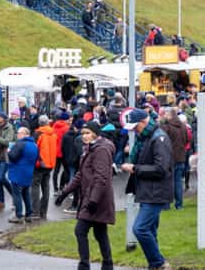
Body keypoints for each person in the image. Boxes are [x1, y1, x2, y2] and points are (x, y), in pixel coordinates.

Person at [55, 121, 116, 270]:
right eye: (83, 134)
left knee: (80, 230)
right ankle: (107, 264)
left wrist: (93, 200)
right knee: (100, 233)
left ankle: (84, 265)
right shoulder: (90, 148)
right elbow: (81, 174)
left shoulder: (101, 150)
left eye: (88, 133)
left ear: (95, 133)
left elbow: (101, 178)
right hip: (92, 196)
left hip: (97, 199)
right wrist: (64, 193)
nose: (85, 136)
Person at [120, 108, 172, 270]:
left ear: (144, 122)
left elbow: (161, 169)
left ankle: (159, 263)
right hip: (149, 190)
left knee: (140, 229)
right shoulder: (149, 137)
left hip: (156, 192)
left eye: (136, 127)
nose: (135, 131)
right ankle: (154, 265)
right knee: (149, 230)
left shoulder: (158, 138)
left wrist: (135, 168)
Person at [6, 126, 38, 224]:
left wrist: (8, 151)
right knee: (26, 194)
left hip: (18, 173)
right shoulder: (34, 145)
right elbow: (37, 158)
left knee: (17, 195)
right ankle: (29, 214)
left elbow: (13, 157)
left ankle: (18, 216)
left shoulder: (20, 144)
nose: (17, 135)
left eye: (19, 133)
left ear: (25, 134)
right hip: (28, 173)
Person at [161, 108, 189, 210]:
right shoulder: (183, 126)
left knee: (168, 182)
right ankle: (179, 205)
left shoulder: (166, 127)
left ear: (169, 115)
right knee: (178, 181)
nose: (164, 116)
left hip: (168, 158)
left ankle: (166, 205)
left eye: (165, 114)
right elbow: (187, 140)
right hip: (181, 157)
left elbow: (162, 142)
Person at [32, 115, 58, 220]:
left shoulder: (38, 134)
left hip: (40, 164)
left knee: (35, 186)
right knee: (46, 187)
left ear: (39, 123)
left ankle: (35, 211)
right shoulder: (53, 133)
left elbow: (34, 149)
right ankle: (43, 212)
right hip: (50, 164)